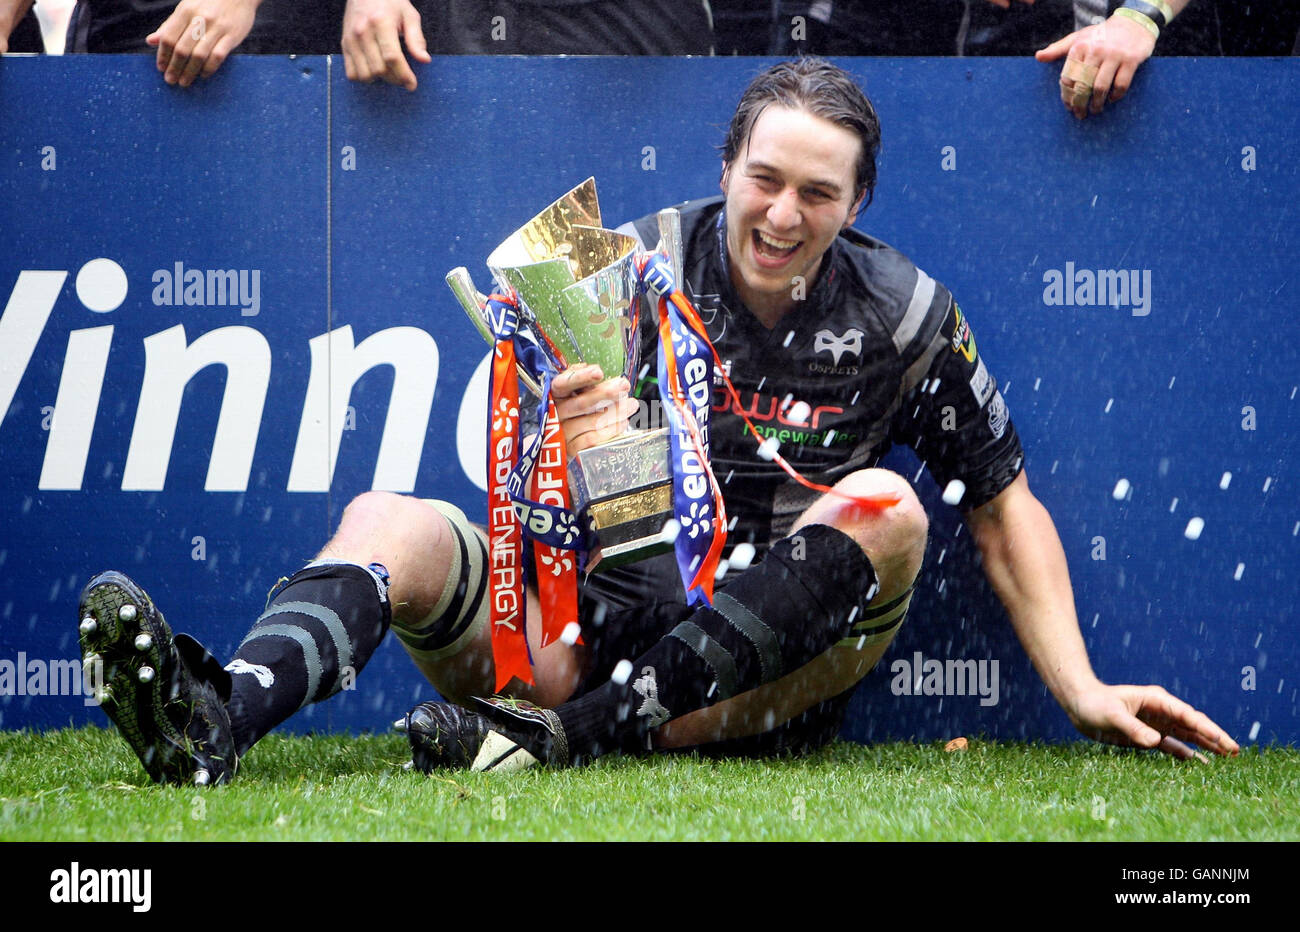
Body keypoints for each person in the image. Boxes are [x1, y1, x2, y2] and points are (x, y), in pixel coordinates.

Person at [78, 57, 1239, 785]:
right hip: (597, 618)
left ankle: (564, 737)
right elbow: (542, 504)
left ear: (859, 202)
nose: (783, 214)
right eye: (764, 178)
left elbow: (1002, 507)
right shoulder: (612, 260)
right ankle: (214, 715)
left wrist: (1082, 687)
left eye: (818, 193)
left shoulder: (906, 310)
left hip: (764, 672)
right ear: (725, 165)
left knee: (890, 510)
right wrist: (584, 445)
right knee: (394, 518)